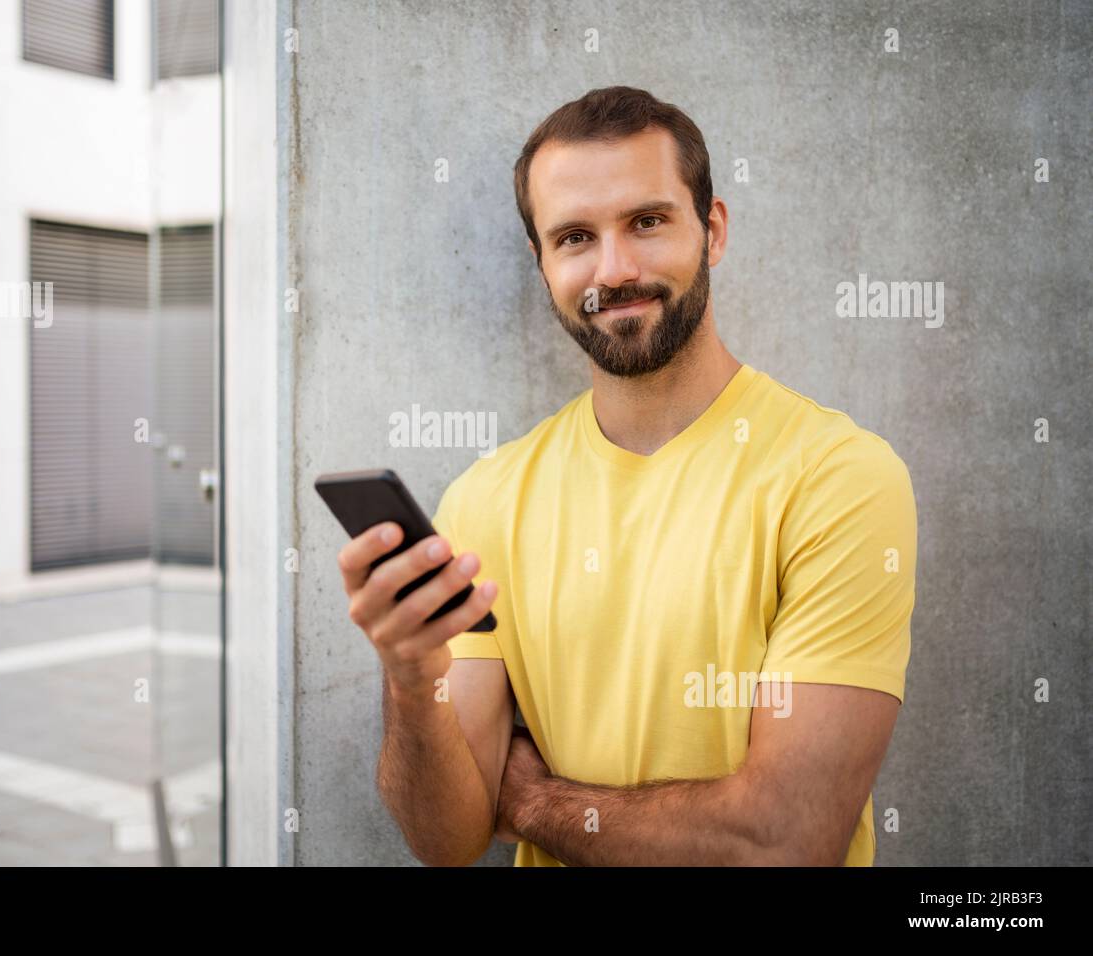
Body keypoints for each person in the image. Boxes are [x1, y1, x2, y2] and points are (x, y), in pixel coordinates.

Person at [337, 86, 917, 867]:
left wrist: (537, 801)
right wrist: (411, 678)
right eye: (574, 237)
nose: (615, 269)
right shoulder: (487, 501)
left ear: (711, 230)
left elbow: (784, 842)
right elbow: (447, 841)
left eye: (647, 222)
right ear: (542, 265)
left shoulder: (839, 478)